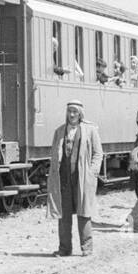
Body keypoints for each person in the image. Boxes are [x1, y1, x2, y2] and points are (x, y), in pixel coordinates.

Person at [47, 100, 104, 256]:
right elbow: (54, 155)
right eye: (69, 112)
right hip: (64, 179)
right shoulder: (59, 131)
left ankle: (87, 248)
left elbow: (98, 153)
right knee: (63, 215)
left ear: (80, 114)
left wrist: (92, 172)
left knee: (84, 213)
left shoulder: (90, 130)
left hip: (83, 179)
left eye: (75, 112)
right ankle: (64, 248)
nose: (72, 115)